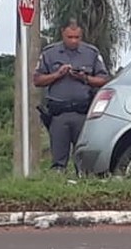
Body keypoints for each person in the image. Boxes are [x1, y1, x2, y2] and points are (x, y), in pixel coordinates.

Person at [34, 20, 110, 172]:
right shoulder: (50, 53)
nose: (73, 41)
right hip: (59, 114)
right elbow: (37, 80)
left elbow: (104, 80)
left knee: (83, 158)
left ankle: (83, 185)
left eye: (77, 37)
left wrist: (84, 78)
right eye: (70, 37)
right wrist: (57, 74)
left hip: (82, 112)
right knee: (58, 160)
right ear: (62, 33)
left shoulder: (91, 53)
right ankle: (58, 183)